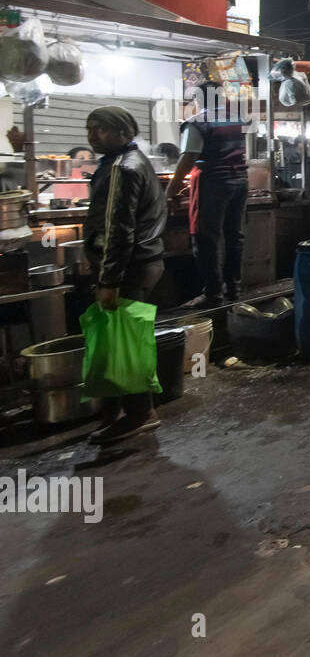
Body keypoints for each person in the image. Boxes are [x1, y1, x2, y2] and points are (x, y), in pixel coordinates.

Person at [81, 107, 167, 444]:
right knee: (120, 341)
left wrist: (109, 281)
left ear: (121, 132)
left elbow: (119, 230)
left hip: (129, 268)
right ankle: (120, 411)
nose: (92, 135)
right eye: (90, 128)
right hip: (140, 263)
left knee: (127, 343)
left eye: (100, 129)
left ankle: (141, 414)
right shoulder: (130, 162)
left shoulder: (123, 169)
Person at [167, 65, 256, 308]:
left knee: (205, 238)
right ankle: (233, 289)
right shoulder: (237, 119)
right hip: (240, 182)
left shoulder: (197, 122)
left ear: (199, 99)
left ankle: (213, 293)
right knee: (234, 236)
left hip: (213, 183)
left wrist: (171, 189)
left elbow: (189, 157)